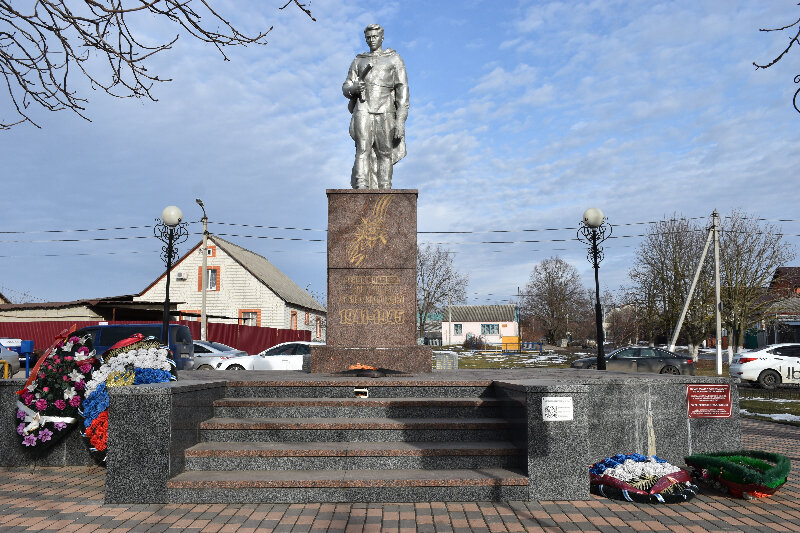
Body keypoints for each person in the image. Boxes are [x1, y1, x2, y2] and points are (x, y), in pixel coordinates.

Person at [342, 24, 409, 189]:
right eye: (368, 38)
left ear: (382, 38)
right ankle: (361, 185)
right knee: (362, 149)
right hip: (363, 108)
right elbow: (346, 86)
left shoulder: (394, 59)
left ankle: (385, 187)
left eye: (374, 37)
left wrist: (400, 121)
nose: (371, 40)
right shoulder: (359, 60)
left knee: (385, 152)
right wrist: (354, 88)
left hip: (386, 110)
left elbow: (402, 91)